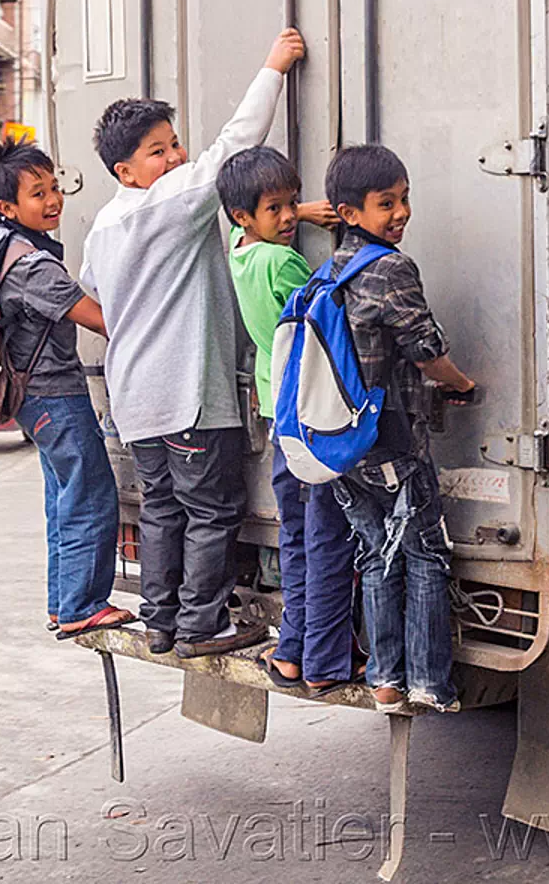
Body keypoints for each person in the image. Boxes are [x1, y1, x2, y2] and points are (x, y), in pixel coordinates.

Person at [81, 28, 305, 659]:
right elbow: (234, 148)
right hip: (187, 395)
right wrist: (273, 67)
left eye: (174, 144)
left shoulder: (105, 224)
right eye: (159, 151)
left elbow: (94, 297)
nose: (176, 157)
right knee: (210, 510)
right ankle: (202, 626)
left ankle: (161, 622)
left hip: (135, 402)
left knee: (162, 512)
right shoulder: (169, 204)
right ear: (127, 170)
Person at [323, 145, 477, 714]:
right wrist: (461, 383)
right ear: (349, 212)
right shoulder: (391, 268)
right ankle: (430, 683)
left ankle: (385, 678)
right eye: (386, 203)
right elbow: (427, 351)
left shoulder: (330, 270)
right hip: (395, 444)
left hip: (343, 445)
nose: (402, 213)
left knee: (374, 555)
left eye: (405, 199)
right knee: (426, 556)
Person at [0, 137, 138, 640]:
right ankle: (83, 604)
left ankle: (62, 601)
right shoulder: (33, 266)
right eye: (37, 194)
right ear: (7, 207)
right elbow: (102, 320)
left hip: (34, 397)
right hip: (53, 395)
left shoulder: (10, 249)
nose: (52, 202)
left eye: (53, 188)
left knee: (64, 496)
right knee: (89, 492)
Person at [217, 146, 355, 692]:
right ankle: (322, 659)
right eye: (275, 209)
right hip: (312, 416)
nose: (288, 218)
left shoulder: (241, 251)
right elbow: (326, 309)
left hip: (278, 415)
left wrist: (304, 210)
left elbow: (259, 225)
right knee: (326, 538)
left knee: (295, 535)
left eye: (291, 204)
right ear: (243, 216)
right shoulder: (284, 262)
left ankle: (293, 647)